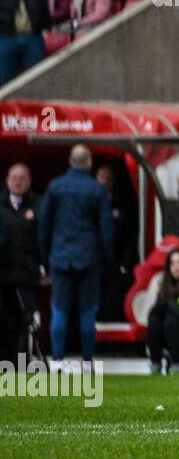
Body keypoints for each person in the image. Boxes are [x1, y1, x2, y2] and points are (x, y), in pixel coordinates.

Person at [38, 144, 113, 365]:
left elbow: (44, 226)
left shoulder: (55, 187)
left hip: (60, 258)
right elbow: (106, 229)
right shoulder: (97, 190)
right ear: (89, 163)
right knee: (87, 313)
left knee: (59, 310)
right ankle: (87, 360)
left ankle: (58, 360)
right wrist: (107, 260)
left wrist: (46, 257)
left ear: (70, 162)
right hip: (89, 259)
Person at [0, 162, 41, 365]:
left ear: (29, 181)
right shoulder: (0, 204)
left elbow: (44, 238)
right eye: (14, 178)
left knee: (25, 321)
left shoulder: (38, 204)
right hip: (2, 275)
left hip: (27, 274)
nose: (17, 182)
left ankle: (22, 360)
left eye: (21, 178)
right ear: (7, 180)